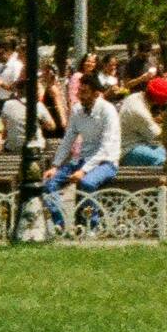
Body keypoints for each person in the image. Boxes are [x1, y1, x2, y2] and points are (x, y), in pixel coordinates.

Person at [42, 70, 121, 230]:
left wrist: (84, 171)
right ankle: (60, 223)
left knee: (87, 183)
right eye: (79, 91)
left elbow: (106, 147)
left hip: (106, 161)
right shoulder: (77, 110)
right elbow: (68, 140)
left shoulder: (108, 110)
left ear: (96, 94)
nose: (79, 95)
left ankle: (91, 225)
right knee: (48, 183)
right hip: (82, 159)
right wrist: (55, 166)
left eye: (84, 92)